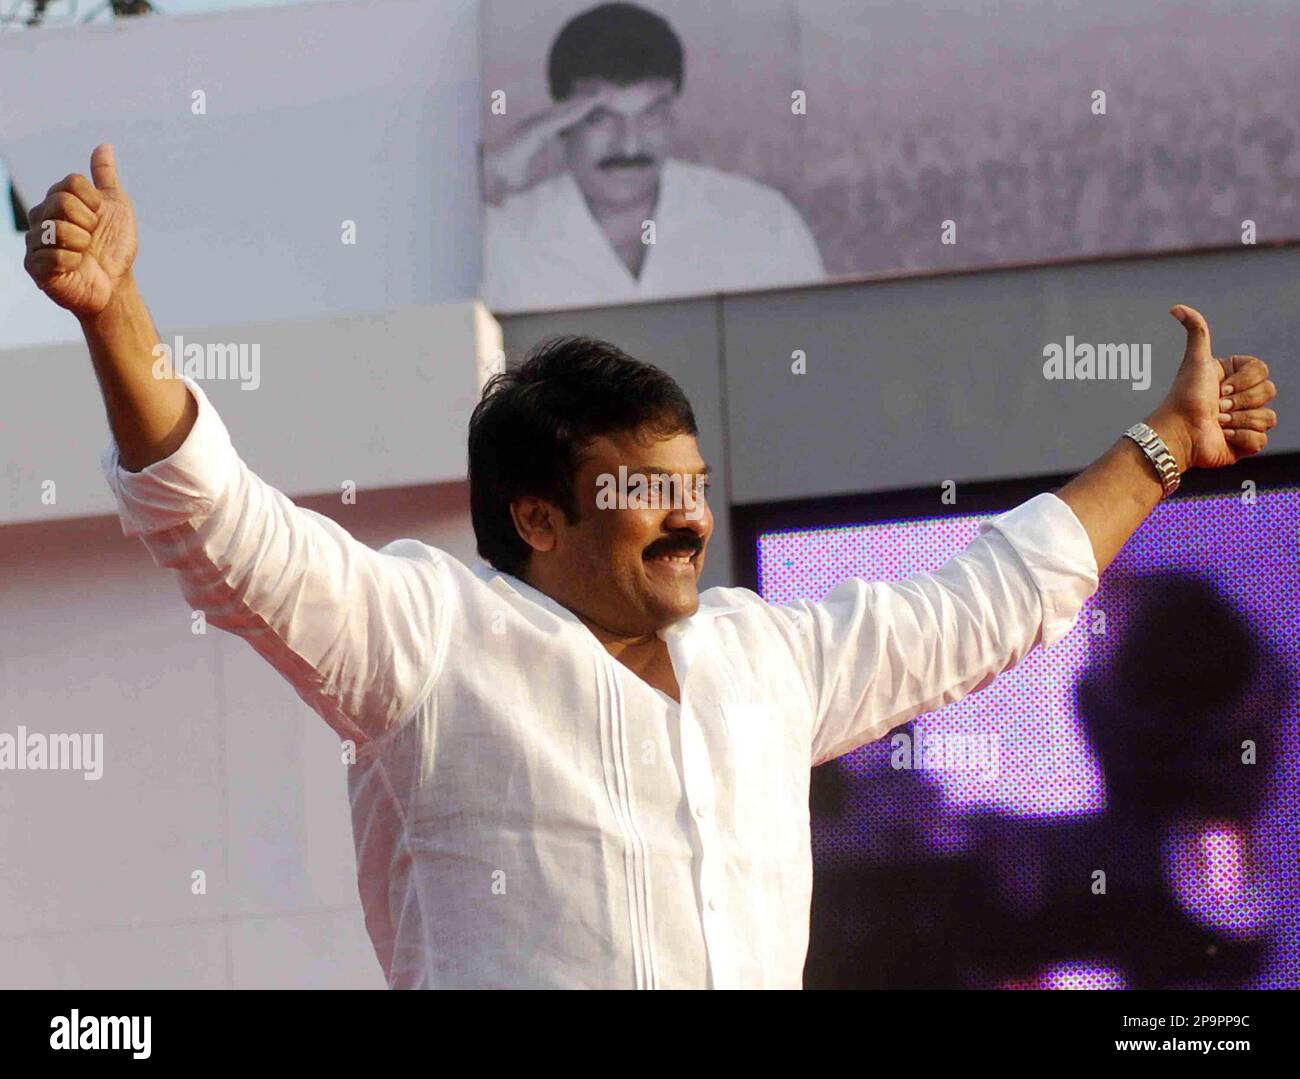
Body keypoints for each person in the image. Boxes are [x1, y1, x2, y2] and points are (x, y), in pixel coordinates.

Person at [23, 145, 1279, 989]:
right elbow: (223, 528)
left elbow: (989, 599)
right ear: (538, 517)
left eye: (691, 487)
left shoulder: (765, 658)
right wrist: (116, 315)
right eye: (642, 493)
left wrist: (1166, 441)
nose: (687, 522)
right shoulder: (429, 636)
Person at [480, 1, 826, 312]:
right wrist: (494, 167)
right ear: (559, 122)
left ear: (673, 111)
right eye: (600, 118)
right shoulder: (503, 238)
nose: (629, 145)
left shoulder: (762, 222)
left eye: (650, 115)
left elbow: (820, 352)